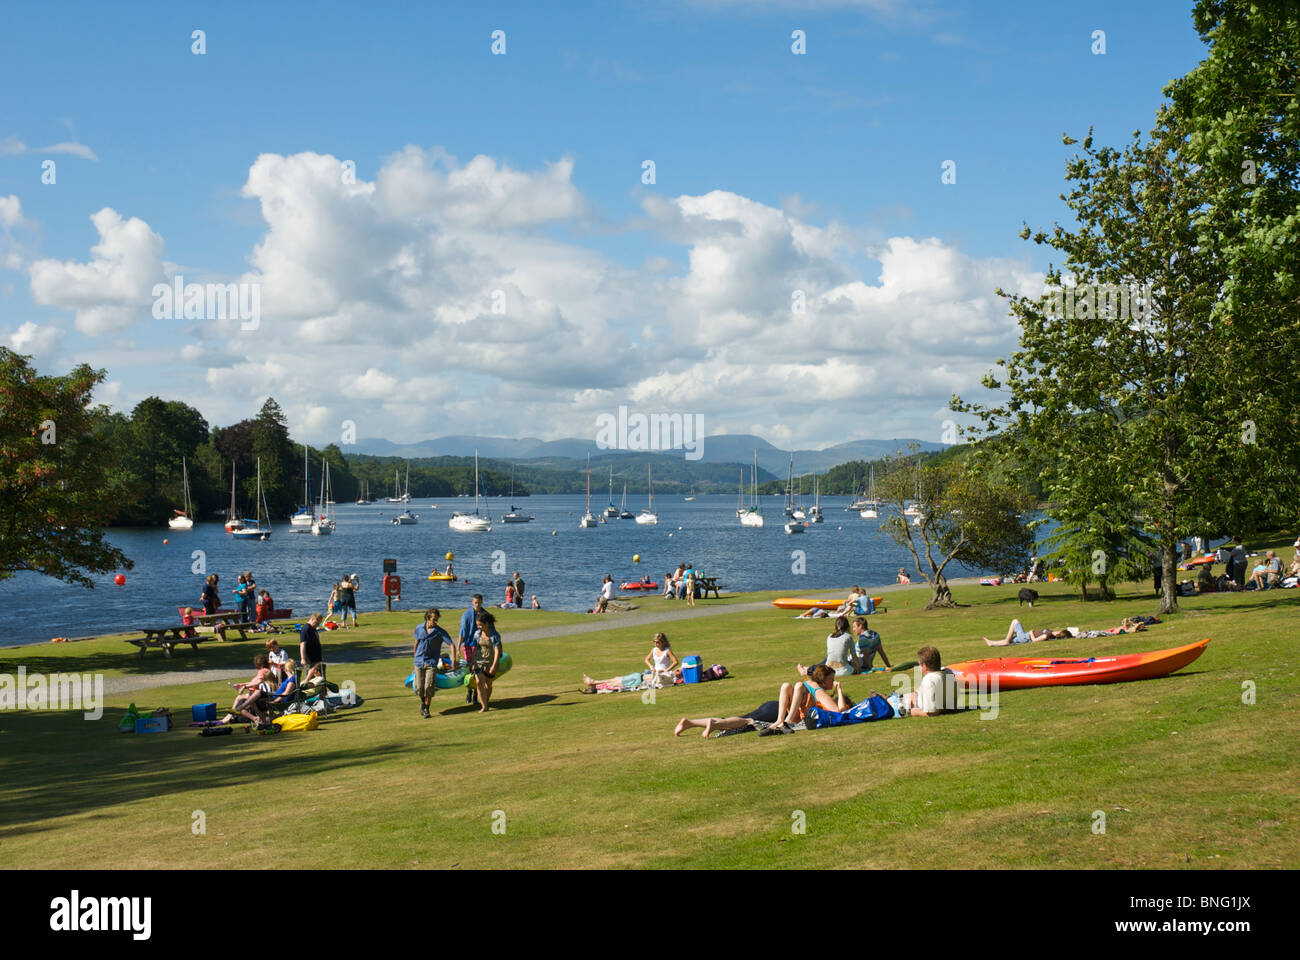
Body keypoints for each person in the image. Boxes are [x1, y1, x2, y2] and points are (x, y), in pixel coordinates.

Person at [760, 664, 853, 734]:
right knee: (795, 686)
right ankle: (786, 722)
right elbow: (839, 712)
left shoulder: (809, 683)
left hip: (797, 715)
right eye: (831, 679)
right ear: (823, 680)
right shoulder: (819, 691)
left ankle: (780, 721)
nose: (833, 682)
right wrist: (839, 690)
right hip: (804, 718)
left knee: (786, 686)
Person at [890, 646, 959, 718]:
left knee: (886, 704)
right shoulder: (948, 672)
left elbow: (932, 713)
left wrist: (911, 711)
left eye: (920, 665)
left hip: (909, 704)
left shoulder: (929, 680)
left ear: (925, 666)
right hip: (915, 698)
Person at [413, 607, 454, 719]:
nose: (435, 622)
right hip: (419, 661)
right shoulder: (418, 628)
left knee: (429, 686)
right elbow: (416, 644)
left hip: (431, 662)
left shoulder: (440, 632)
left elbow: (451, 644)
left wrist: (454, 658)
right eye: (434, 619)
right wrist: (415, 658)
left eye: (437, 619)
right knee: (419, 687)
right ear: (427, 618)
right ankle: (422, 702)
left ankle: (426, 708)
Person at [222, 653, 275, 724]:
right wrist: (241, 685)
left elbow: (257, 682)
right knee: (239, 698)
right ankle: (229, 716)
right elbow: (254, 682)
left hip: (256, 694)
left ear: (260, 664)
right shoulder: (265, 670)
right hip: (255, 693)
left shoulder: (262, 671)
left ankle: (229, 716)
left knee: (240, 699)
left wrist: (244, 686)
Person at [470, 611, 503, 713]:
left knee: (488, 685)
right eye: (477, 625)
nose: (478, 627)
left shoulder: (494, 635)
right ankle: (484, 706)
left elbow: (497, 651)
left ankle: (486, 701)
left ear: (487, 623)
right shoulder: (477, 634)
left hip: (490, 661)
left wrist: (494, 665)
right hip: (478, 661)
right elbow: (475, 648)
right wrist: (471, 661)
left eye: (480, 624)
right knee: (479, 682)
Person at [459, 595, 484, 704]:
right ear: (472, 602)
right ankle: (470, 690)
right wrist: (458, 647)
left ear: (482, 602)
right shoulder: (466, 615)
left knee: (478, 669)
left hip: (479, 645)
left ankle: (475, 694)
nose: (477, 604)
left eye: (479, 602)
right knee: (470, 669)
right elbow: (462, 632)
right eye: (475, 602)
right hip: (467, 645)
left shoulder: (485, 614)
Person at [983, 618, 1070, 646]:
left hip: (1026, 637)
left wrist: (1031, 633)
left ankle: (1004, 641)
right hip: (1025, 636)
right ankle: (991, 643)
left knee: (1015, 621)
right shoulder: (1051, 632)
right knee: (1011, 640)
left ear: (1060, 633)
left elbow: (1034, 640)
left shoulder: (1048, 635)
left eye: (1060, 630)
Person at [299, 613, 325, 682]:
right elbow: (302, 644)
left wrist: (320, 656)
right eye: (317, 623)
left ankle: (320, 691)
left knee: (319, 679)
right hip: (310, 659)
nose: (317, 625)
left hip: (317, 658)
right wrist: (303, 658)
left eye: (319, 624)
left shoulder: (313, 629)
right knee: (310, 679)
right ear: (312, 619)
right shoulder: (306, 629)